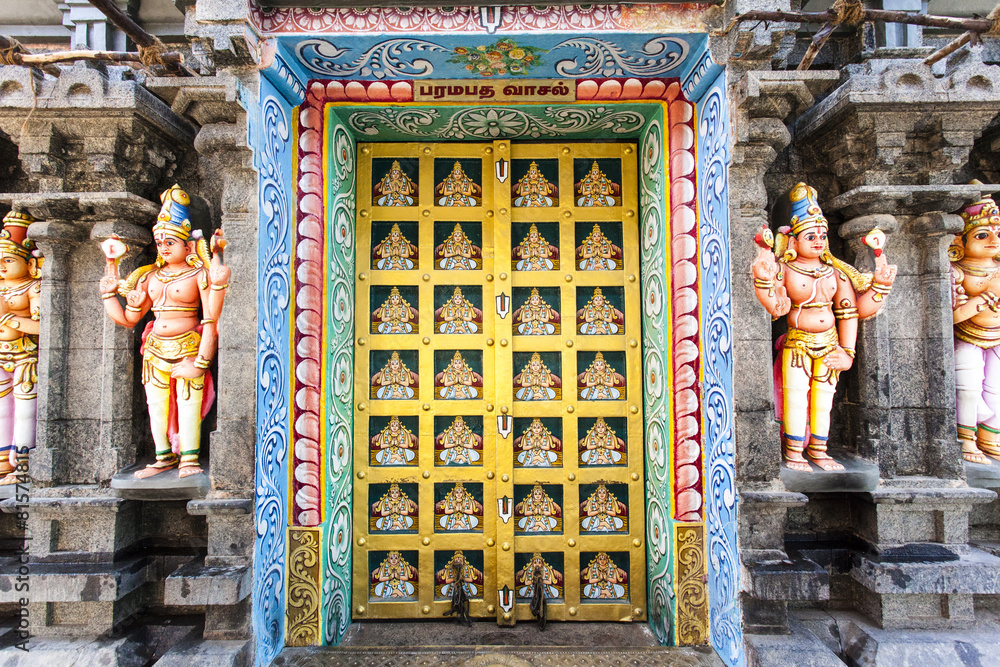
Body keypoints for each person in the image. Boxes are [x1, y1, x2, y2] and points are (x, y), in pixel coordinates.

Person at [752, 182, 895, 471]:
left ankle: (819, 450)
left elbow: (852, 311)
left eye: (821, 235)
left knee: (823, 401)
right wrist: (764, 279)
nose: (818, 241)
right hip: (798, 344)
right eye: (810, 236)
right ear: (793, 240)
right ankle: (793, 451)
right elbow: (777, 309)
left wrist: (880, 287)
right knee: (795, 397)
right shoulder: (786, 270)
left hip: (830, 344)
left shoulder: (836, 273)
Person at [99, 185, 229, 479]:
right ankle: (163, 456)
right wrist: (109, 295)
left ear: (188, 246)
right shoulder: (147, 278)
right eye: (160, 243)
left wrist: (201, 363)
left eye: (171, 241)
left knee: (189, 404)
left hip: (188, 347)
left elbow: (212, 319)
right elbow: (129, 319)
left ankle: (189, 457)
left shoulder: (199, 275)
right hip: (155, 348)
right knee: (155, 405)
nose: (165, 247)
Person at [950, 189, 1000, 464]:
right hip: (968, 336)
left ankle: (991, 437)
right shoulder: (957, 271)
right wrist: (979, 302)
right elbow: (949, 317)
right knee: (968, 387)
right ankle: (967, 439)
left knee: (997, 388)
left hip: (997, 338)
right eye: (982, 235)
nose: (993, 240)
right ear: (961, 241)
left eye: (997, 234)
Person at [0, 212, 41, 485]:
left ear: (29, 264)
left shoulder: (32, 287)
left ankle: (23, 462)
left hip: (25, 354)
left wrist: (11, 318)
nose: (2, 266)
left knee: (26, 409)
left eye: (8, 260)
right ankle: (3, 461)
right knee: (2, 409)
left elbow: (42, 327)